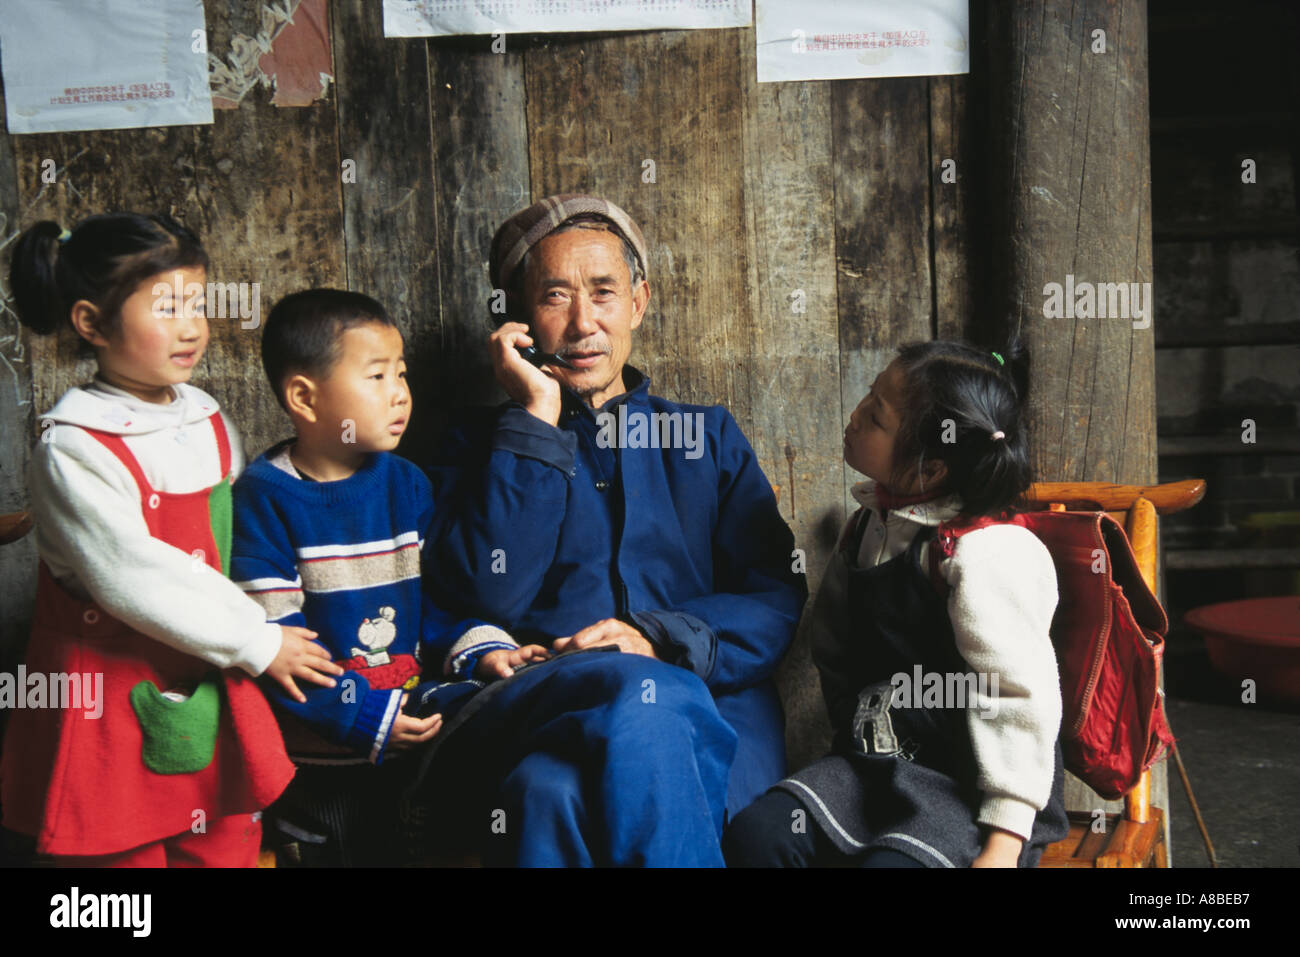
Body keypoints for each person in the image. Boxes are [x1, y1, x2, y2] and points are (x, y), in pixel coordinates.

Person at [421, 194, 807, 866]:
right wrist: (535, 424)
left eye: (603, 293)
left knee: (546, 796)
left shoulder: (705, 438)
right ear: (517, 315)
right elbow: (486, 595)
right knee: (623, 696)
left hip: (713, 699)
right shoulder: (475, 446)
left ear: (638, 302)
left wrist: (658, 637)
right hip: (549, 700)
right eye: (554, 297)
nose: (582, 323)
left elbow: (775, 593)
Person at [0, 213, 339, 866]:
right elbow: (132, 573)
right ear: (91, 323)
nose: (192, 326)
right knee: (122, 856)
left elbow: (246, 534)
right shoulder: (74, 446)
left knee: (225, 838)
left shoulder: (206, 417)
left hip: (206, 676)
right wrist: (258, 639)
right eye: (167, 307)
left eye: (197, 303)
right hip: (108, 694)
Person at [229, 288, 549, 866]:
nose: (401, 394)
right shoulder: (264, 500)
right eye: (376, 377)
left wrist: (484, 653)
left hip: (409, 742)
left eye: (401, 374)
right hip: (319, 760)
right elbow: (276, 651)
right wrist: (363, 716)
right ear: (305, 397)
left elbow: (437, 603)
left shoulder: (406, 485)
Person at [722, 339, 1070, 867]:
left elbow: (1021, 702)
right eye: (868, 395)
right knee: (759, 835)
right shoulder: (870, 524)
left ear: (930, 471)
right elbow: (836, 645)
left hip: (973, 792)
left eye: (878, 418)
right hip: (874, 763)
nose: (857, 415)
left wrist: (1003, 845)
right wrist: (856, 727)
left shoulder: (987, 554)